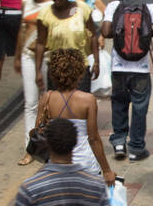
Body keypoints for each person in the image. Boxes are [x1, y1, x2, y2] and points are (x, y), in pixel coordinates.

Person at [101, 0, 153, 162]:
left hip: (118, 67)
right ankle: (136, 148)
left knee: (119, 104)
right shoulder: (149, 5)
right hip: (140, 69)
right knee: (139, 107)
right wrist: (145, 33)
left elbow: (106, 32)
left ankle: (119, 143)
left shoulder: (114, 5)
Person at [35, 49, 115, 183]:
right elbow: (94, 138)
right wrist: (107, 170)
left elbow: (37, 132)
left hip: (56, 166)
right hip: (86, 166)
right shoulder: (88, 100)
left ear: (53, 74)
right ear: (79, 74)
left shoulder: (46, 98)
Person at [34, 0, 100, 94]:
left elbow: (93, 36)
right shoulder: (44, 14)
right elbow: (40, 43)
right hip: (56, 71)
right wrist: (38, 71)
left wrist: (96, 61)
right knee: (58, 109)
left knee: (80, 108)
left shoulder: (83, 9)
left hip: (80, 69)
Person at [14, 0, 52, 166]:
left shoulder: (53, 5)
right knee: (30, 104)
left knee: (47, 105)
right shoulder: (25, 2)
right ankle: (30, 148)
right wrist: (17, 56)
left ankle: (48, 146)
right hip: (28, 57)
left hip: (48, 58)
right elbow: (22, 30)